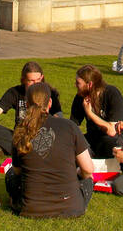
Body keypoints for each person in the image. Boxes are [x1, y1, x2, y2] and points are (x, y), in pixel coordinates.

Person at [5, 82, 95, 218]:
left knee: (11, 174)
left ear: (27, 104)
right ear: (50, 103)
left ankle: (18, 200)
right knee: (88, 180)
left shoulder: (21, 130)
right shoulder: (69, 127)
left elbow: (18, 171)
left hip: (31, 207)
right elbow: (88, 170)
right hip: (71, 206)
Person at [0, 63, 63, 159]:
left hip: (40, 137)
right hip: (20, 137)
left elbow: (60, 122)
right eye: (31, 81)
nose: (36, 84)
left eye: (38, 80)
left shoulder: (50, 93)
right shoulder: (14, 93)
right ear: (24, 80)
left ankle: (8, 149)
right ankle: (20, 151)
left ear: (42, 77)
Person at [69, 65, 123, 159]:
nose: (75, 85)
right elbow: (72, 126)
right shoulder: (80, 97)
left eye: (78, 83)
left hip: (114, 141)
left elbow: (112, 131)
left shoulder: (112, 94)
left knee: (109, 142)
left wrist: (90, 114)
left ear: (90, 84)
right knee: (70, 143)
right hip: (93, 138)